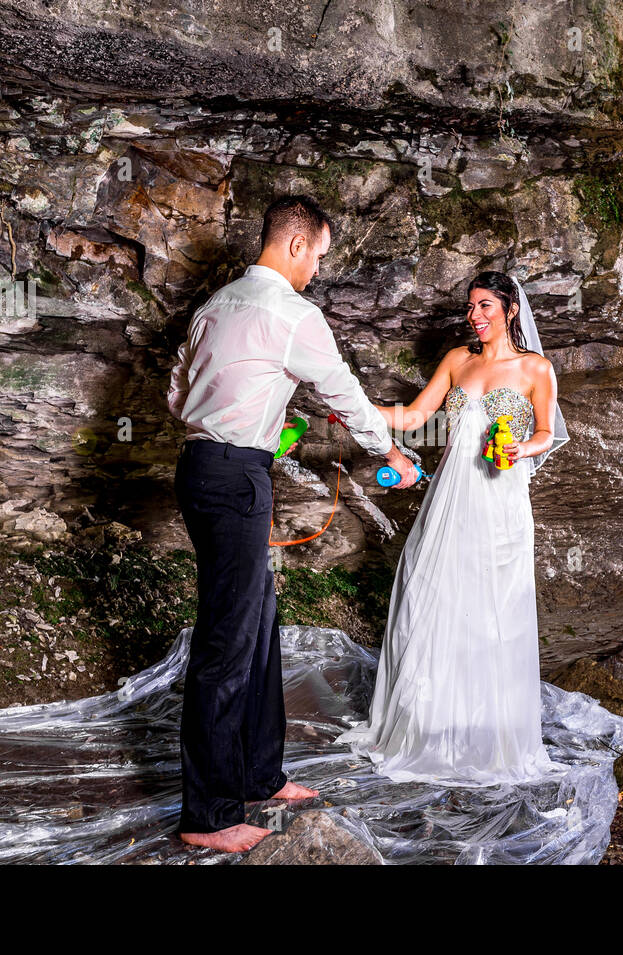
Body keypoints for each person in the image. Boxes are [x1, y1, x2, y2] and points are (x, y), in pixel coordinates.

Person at [166, 195, 420, 852]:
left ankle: (260, 772)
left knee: (259, 621)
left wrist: (251, 422)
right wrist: (388, 451)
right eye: (321, 257)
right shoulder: (290, 312)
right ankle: (210, 815)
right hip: (234, 478)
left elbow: (177, 396)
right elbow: (343, 391)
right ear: (298, 244)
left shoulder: (214, 307)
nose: (318, 272)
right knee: (226, 643)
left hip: (202, 466)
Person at [335, 270, 570, 784]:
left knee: (493, 607)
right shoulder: (458, 361)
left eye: (486, 306)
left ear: (510, 310)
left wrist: (518, 448)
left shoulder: (537, 369)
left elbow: (548, 434)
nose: (475, 316)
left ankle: (485, 731)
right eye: (471, 307)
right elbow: (416, 416)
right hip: (449, 498)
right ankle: (430, 722)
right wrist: (353, 409)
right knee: (430, 592)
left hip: (500, 499)